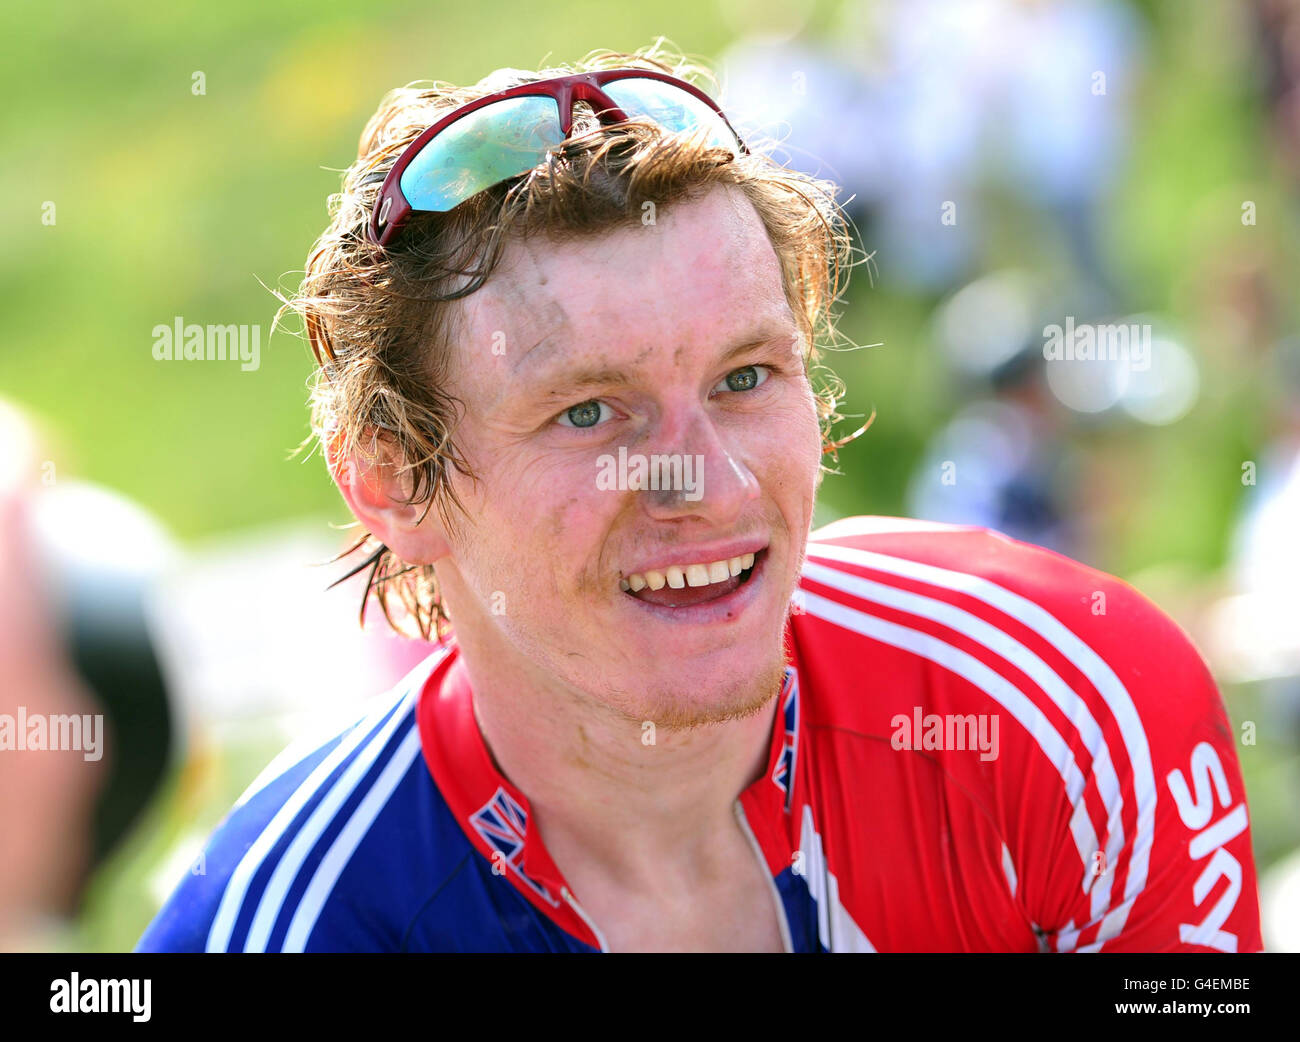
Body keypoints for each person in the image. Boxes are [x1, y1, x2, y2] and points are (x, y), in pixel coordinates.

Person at [138, 43, 1262, 952]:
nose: (707, 480)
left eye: (743, 378)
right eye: (589, 411)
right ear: (389, 480)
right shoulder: (286, 926)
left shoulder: (1064, 710)